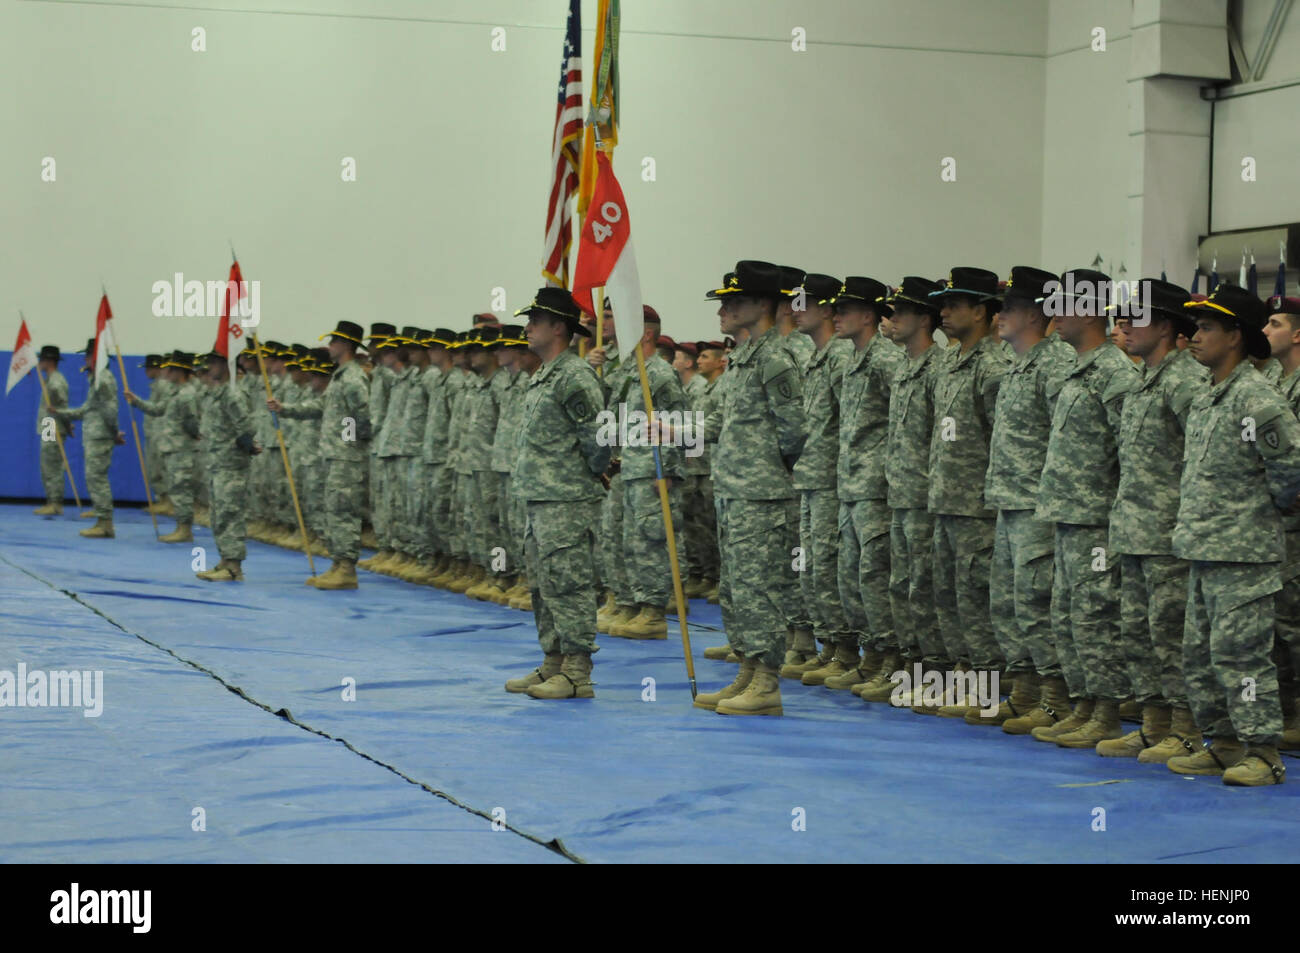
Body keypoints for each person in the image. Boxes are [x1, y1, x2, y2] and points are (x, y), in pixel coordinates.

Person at [1168, 284, 1300, 785]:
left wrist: (1259, 510)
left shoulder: (1255, 396)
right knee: (1201, 658)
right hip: (1203, 548)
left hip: (1243, 554)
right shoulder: (1207, 395)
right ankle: (1222, 743)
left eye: (1205, 328)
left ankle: (1263, 752)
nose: (1194, 336)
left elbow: (1290, 466)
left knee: (1243, 659)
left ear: (1236, 337)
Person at [1031, 268, 1141, 748]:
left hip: (1098, 520)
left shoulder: (1114, 371)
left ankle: (1108, 713)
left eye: (1063, 304)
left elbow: (1132, 450)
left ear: (1091, 310)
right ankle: (1083, 705)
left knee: (1097, 617)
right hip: (1068, 515)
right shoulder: (1077, 369)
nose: (1052, 314)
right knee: (1068, 615)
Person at [695, 261, 806, 716]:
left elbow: (796, 429)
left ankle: (766, 682)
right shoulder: (742, 356)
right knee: (738, 587)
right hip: (734, 490)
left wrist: (767, 469)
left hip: (761, 493)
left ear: (762, 305)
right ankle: (746, 668)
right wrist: (675, 429)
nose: (723, 309)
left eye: (733, 301)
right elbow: (724, 422)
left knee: (761, 588)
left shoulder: (776, 358)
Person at [504, 287, 610, 699]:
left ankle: (578, 672)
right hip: (541, 497)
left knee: (569, 584)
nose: (527, 328)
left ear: (559, 328)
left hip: (566, 499)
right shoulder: (544, 374)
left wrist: (590, 473)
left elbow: (598, 439)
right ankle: (553, 662)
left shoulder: (574, 375)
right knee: (543, 585)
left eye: (535, 321)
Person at [982, 267, 1075, 728]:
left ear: (1038, 314)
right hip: (1009, 502)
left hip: (1038, 504)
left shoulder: (1055, 363)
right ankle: (1025, 691)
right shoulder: (1017, 364)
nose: (1000, 316)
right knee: (1009, 603)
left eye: (1011, 308)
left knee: (1038, 604)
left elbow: (1067, 437)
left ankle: (1056, 698)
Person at [801, 275, 893, 689]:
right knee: (838, 573)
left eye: (845, 309)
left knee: (871, 577)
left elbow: (903, 423)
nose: (837, 316)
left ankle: (878, 657)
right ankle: (846, 650)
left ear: (869, 315)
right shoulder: (851, 358)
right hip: (842, 481)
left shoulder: (882, 359)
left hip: (873, 486)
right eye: (834, 308)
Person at [924, 269, 1010, 715]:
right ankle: (961, 674)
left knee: (977, 598)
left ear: (981, 312)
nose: (944, 311)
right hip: (945, 501)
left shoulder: (993, 367)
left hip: (977, 506)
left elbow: (1002, 438)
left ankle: (987, 684)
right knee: (949, 595)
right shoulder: (950, 362)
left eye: (955, 304)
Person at [874, 277, 945, 709]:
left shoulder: (939, 368)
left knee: (927, 590)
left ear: (924, 318)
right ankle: (912, 671)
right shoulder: (902, 366)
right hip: (900, 495)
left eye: (899, 312)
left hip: (927, 497)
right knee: (902, 588)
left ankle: (937, 677)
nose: (891, 319)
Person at [271, 320, 372, 589]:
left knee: (344, 512)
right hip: (335, 455)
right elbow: (322, 406)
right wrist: (285, 408)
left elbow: (363, 418)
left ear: (347, 346)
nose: (330, 346)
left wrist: (347, 443)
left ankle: (347, 569)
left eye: (335, 341)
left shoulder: (352, 378)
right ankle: (338, 563)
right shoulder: (340, 375)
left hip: (345, 457)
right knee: (334, 511)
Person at [1266, 295, 1300, 750]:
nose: (1266, 331)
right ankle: (1286, 710)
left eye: (1274, 323)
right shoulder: (1273, 382)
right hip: (1275, 523)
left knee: (1295, 623)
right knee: (1278, 622)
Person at [125, 350, 202, 543]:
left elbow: (193, 423)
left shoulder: (187, 394)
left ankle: (185, 529)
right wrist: (136, 401)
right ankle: (180, 526)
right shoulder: (174, 392)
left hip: (181, 448)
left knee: (181, 488)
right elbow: (158, 410)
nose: (168, 373)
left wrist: (189, 440)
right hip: (172, 447)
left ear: (180, 371)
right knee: (176, 488)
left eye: (172, 369)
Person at [194, 352, 258, 580]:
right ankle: (224, 560)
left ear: (226, 363)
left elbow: (247, 426)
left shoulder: (233, 393)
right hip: (217, 462)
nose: (209, 367)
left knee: (230, 513)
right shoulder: (217, 393)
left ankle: (233, 567)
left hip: (231, 463)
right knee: (219, 514)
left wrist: (247, 445)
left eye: (213, 362)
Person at [61, 339, 124, 539]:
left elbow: (110, 410)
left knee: (97, 478)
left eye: (88, 356)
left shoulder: (103, 379)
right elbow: (88, 410)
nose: (86, 360)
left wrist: (114, 433)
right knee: (94, 478)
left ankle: (105, 524)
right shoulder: (96, 379)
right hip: (95, 436)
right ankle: (101, 519)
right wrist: (62, 413)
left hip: (100, 437)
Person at [33, 345, 72, 516]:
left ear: (48, 361)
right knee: (47, 465)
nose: (39, 363)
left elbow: (62, 406)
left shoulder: (56, 382)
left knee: (53, 466)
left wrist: (67, 424)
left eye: (41, 360)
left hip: (53, 426)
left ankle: (55, 503)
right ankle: (51, 500)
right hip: (49, 424)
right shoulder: (50, 380)